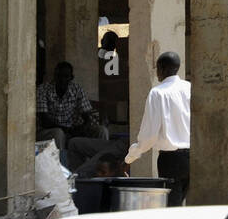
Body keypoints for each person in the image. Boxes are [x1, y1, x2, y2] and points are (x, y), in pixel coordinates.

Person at [124, 51, 191, 206]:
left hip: (171, 160)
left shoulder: (157, 93)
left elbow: (149, 135)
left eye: (157, 68)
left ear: (162, 68)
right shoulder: (189, 88)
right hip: (192, 159)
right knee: (183, 206)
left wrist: (130, 157)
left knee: (171, 209)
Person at [36, 62, 109, 154]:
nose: (62, 79)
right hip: (48, 130)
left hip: (72, 129)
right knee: (58, 133)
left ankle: (101, 162)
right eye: (59, 76)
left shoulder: (76, 89)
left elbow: (86, 115)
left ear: (71, 77)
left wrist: (83, 127)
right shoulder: (43, 89)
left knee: (101, 131)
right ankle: (60, 165)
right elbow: (44, 121)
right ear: (55, 76)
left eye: (66, 76)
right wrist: (67, 130)